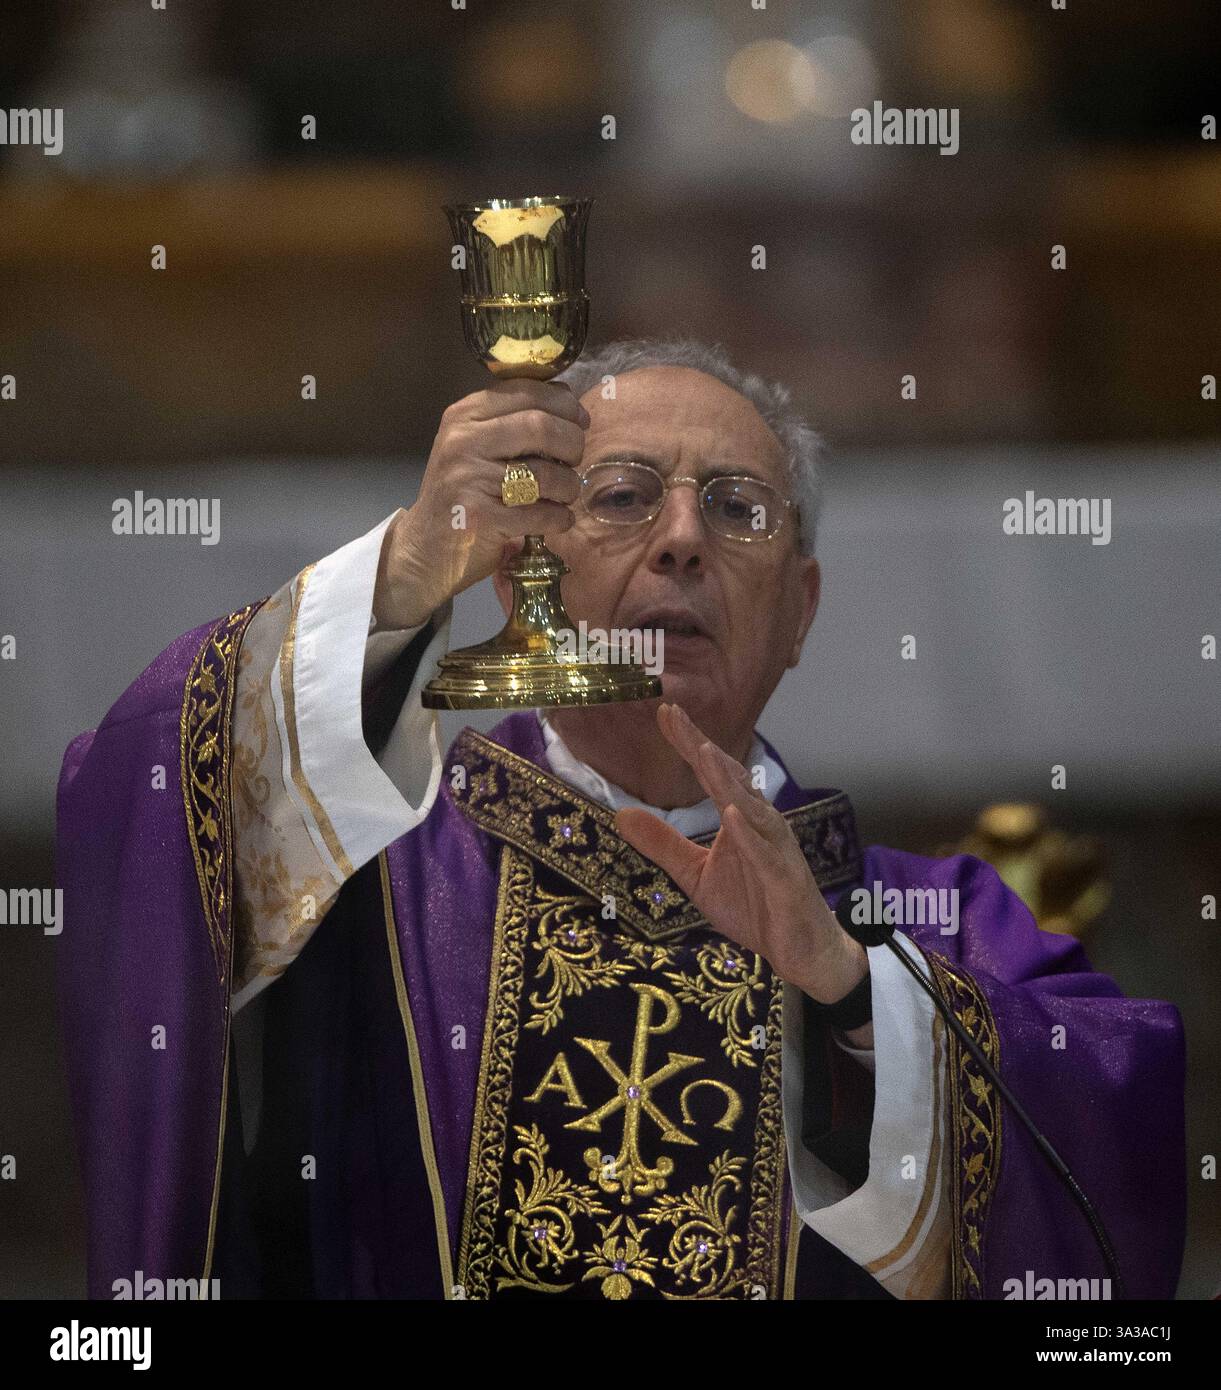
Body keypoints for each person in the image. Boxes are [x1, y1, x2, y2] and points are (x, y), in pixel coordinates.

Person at [56, 338, 1185, 1301]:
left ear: (800, 610)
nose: (682, 538)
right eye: (622, 495)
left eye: (738, 508)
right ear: (518, 574)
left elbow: (1110, 1155)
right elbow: (144, 795)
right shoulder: (363, 889)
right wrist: (404, 571)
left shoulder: (929, 927)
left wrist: (845, 991)